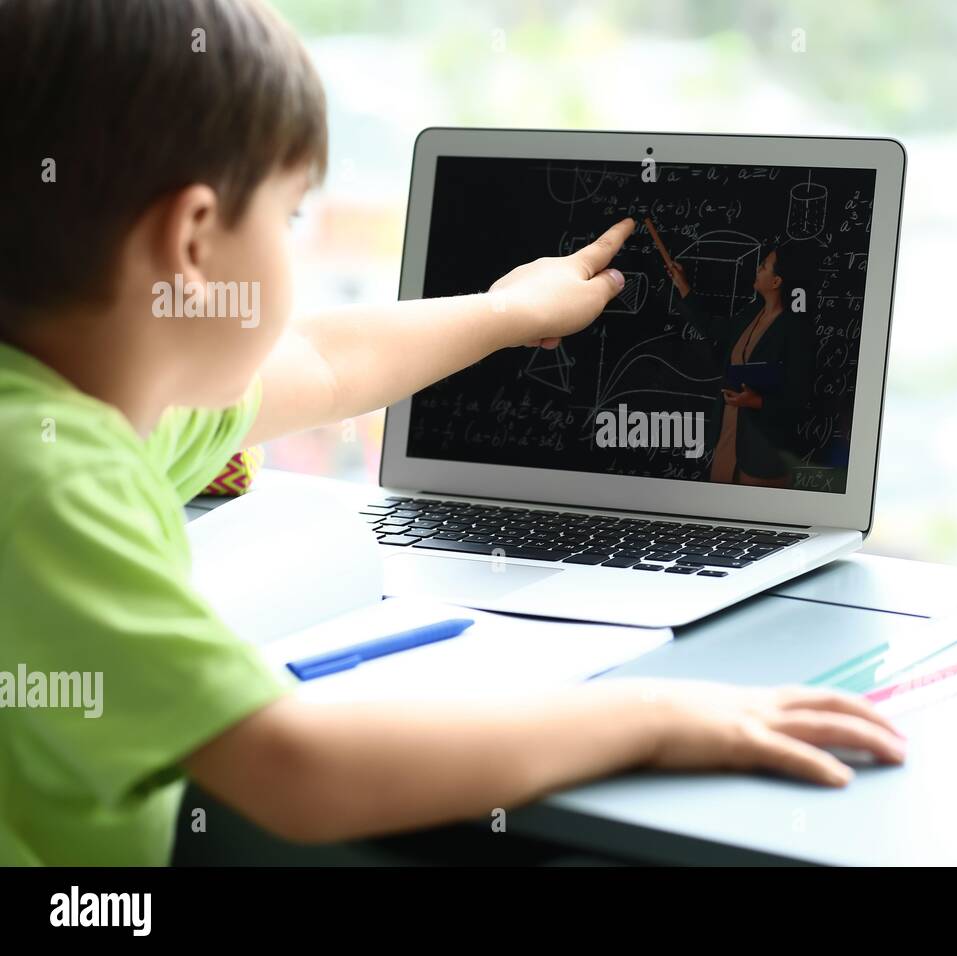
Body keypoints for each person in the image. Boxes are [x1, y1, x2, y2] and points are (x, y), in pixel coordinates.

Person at [0, 0, 905, 866]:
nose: (296, 247)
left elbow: (321, 362)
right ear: (192, 245)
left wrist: (506, 312)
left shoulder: (64, 407)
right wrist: (655, 720)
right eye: (288, 218)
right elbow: (296, 768)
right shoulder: (54, 487)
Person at [665, 244, 819, 486]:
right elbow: (711, 327)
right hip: (729, 437)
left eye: (764, 266)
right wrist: (682, 284)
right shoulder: (753, 313)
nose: (757, 269)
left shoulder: (796, 330)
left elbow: (799, 399)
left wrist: (755, 401)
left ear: (777, 281)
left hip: (763, 450)